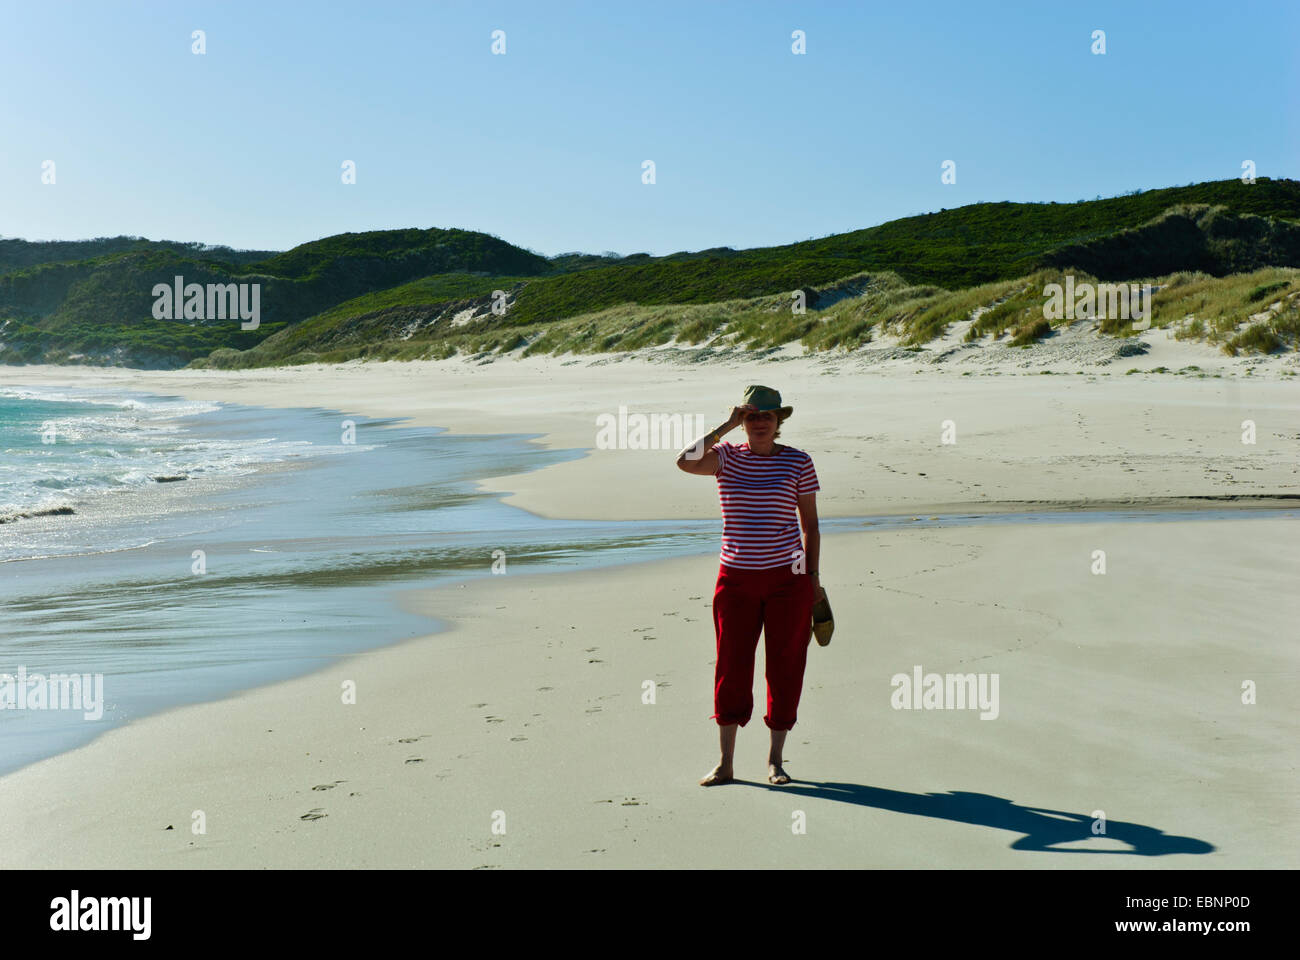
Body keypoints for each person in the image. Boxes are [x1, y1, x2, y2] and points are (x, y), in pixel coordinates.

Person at [675, 384, 823, 786]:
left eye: (767, 416)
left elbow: (810, 526)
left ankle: (775, 761)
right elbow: (685, 462)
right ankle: (726, 763)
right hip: (736, 579)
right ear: (743, 420)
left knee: (786, 666)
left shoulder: (797, 462)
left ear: (779, 422)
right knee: (731, 666)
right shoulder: (725, 457)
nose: (759, 423)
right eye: (752, 415)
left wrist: (813, 581)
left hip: (787, 582)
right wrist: (724, 425)